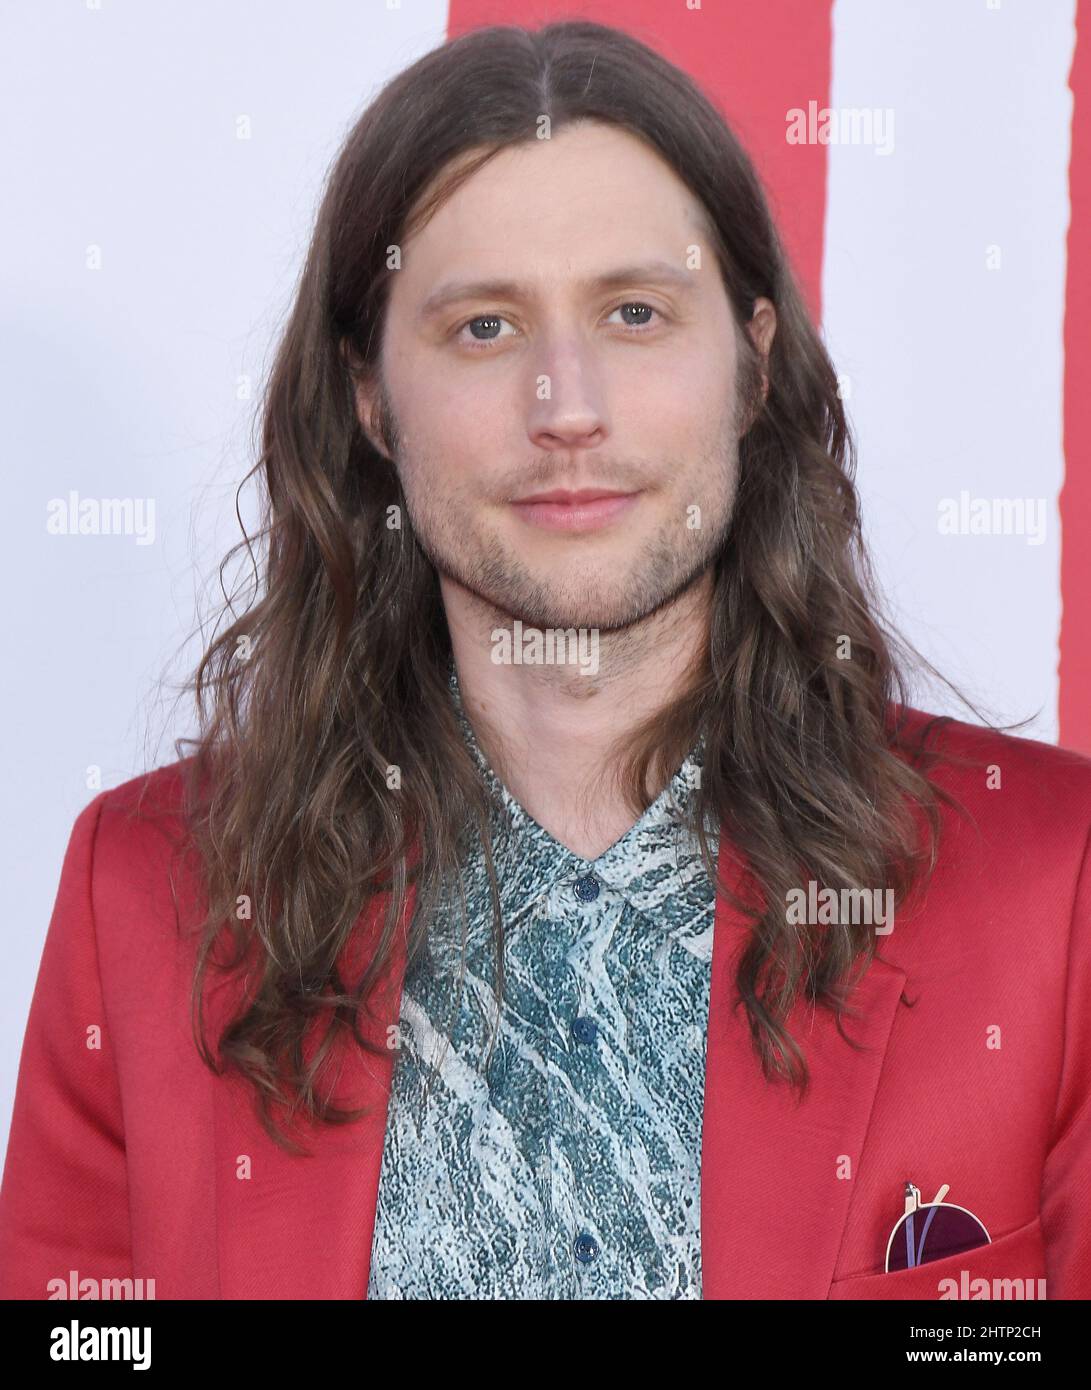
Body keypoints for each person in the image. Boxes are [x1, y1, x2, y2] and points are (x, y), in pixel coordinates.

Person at [1, 19, 1089, 1302]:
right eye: (482, 327)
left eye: (633, 312)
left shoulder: (1048, 887)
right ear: (366, 396)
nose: (565, 404)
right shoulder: (145, 899)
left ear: (750, 361)